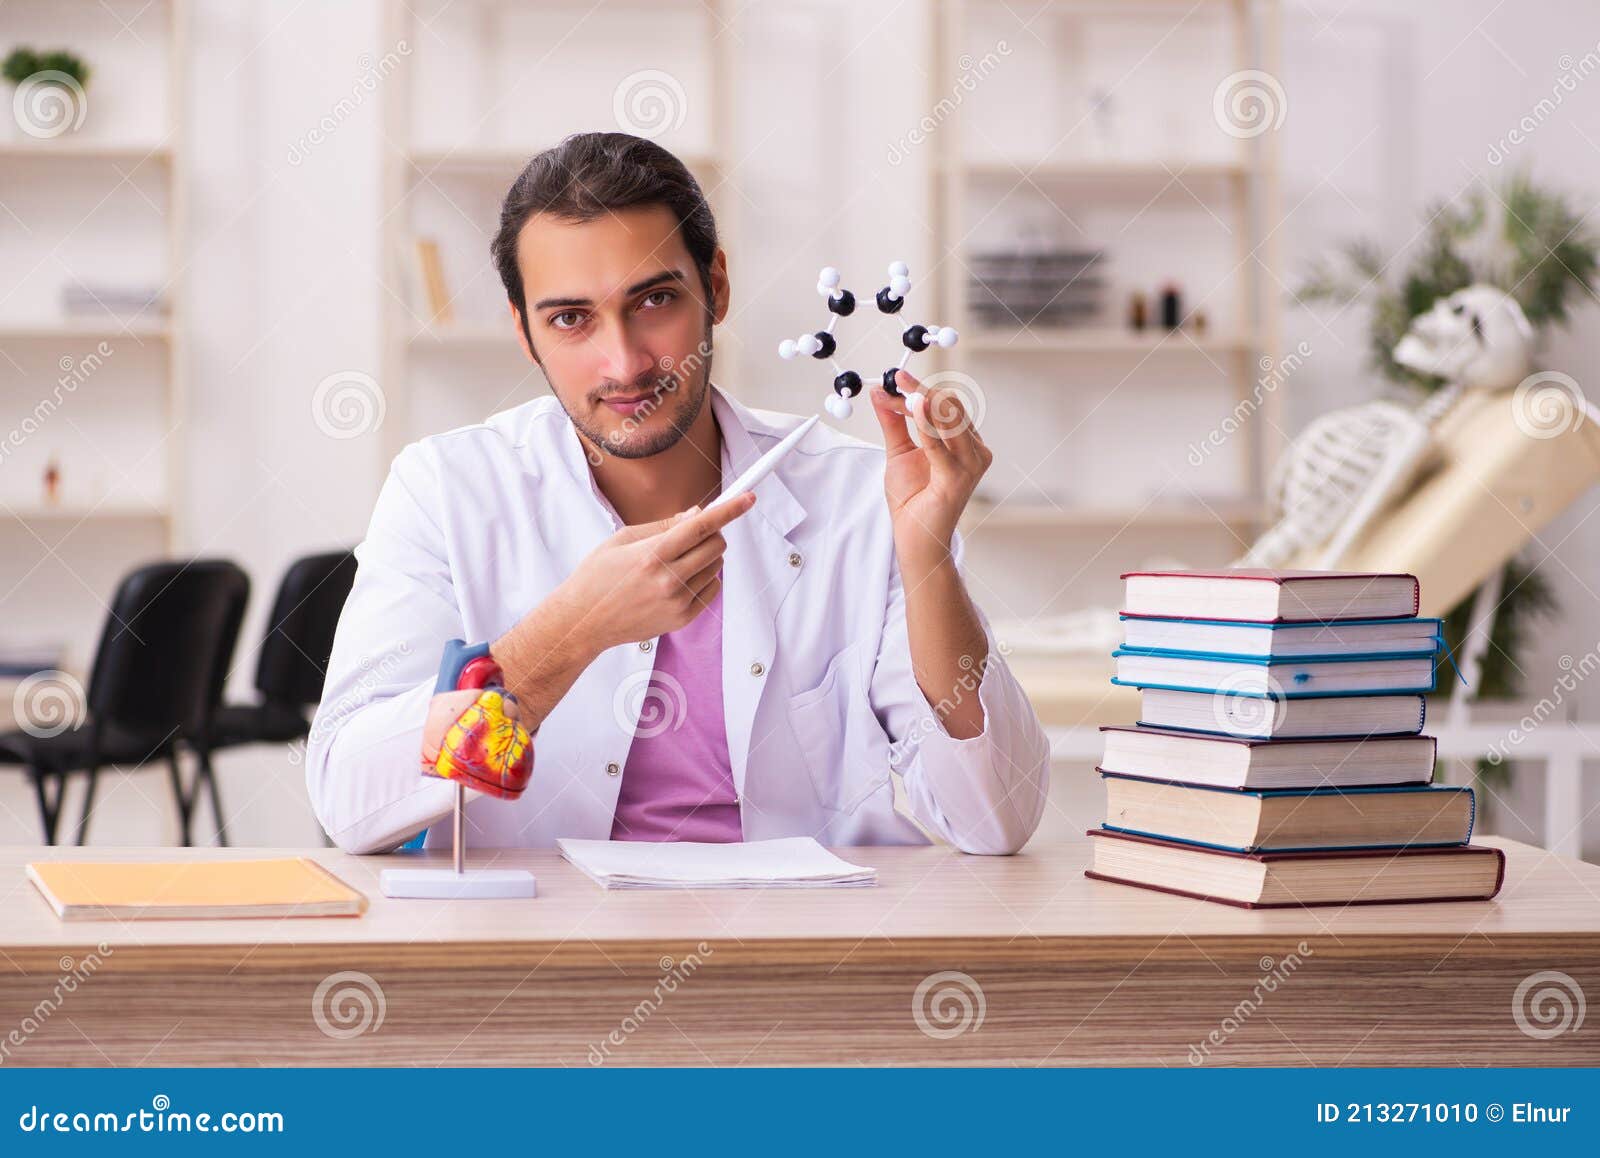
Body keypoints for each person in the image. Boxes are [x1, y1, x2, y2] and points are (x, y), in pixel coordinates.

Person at [306, 132, 1050, 855]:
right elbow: (350, 802)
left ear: (715, 289)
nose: (624, 361)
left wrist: (926, 559)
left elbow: (997, 819)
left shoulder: (860, 494)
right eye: (570, 319)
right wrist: (573, 629)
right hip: (548, 954)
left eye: (655, 300)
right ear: (524, 333)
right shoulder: (445, 490)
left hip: (807, 954)